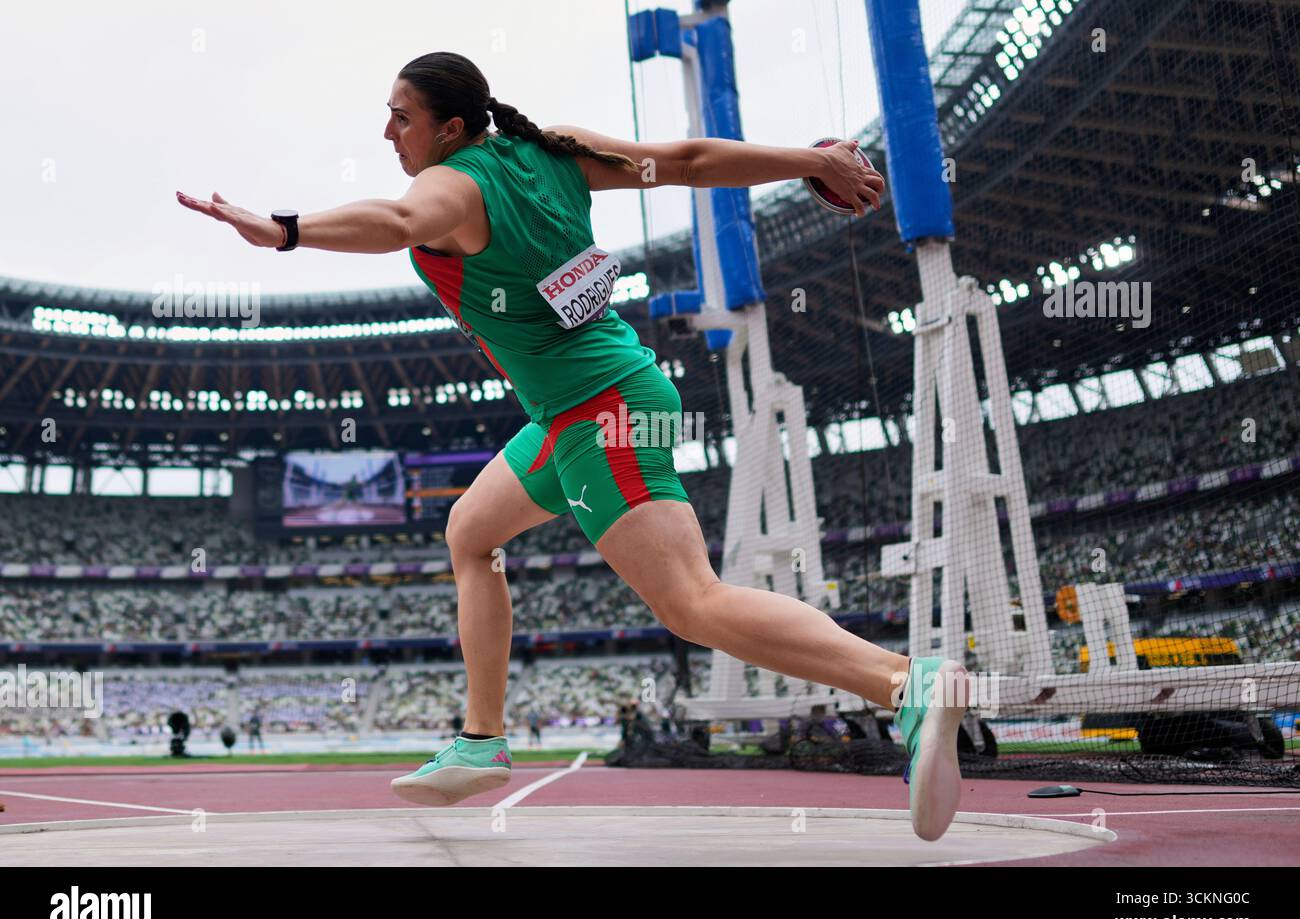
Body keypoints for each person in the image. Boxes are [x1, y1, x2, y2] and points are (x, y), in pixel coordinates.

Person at [177, 51, 968, 840]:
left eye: (402, 117)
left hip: (602, 413)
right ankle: (481, 742)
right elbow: (687, 162)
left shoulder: (450, 187)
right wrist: (812, 159)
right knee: (471, 532)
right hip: (577, 411)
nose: (388, 131)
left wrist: (284, 230)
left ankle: (904, 682)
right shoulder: (553, 149)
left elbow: (396, 223)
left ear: (450, 127)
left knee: (691, 602)